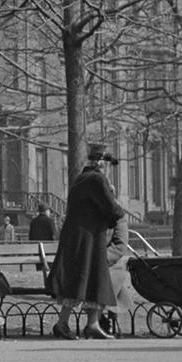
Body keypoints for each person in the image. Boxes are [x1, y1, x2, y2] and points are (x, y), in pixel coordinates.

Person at [46, 143, 125, 340]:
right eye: (106, 164)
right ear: (100, 162)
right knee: (86, 278)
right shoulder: (97, 179)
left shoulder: (80, 179)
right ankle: (69, 324)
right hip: (88, 237)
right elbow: (111, 208)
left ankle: (90, 324)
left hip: (79, 237)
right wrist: (120, 214)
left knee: (85, 279)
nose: (107, 169)